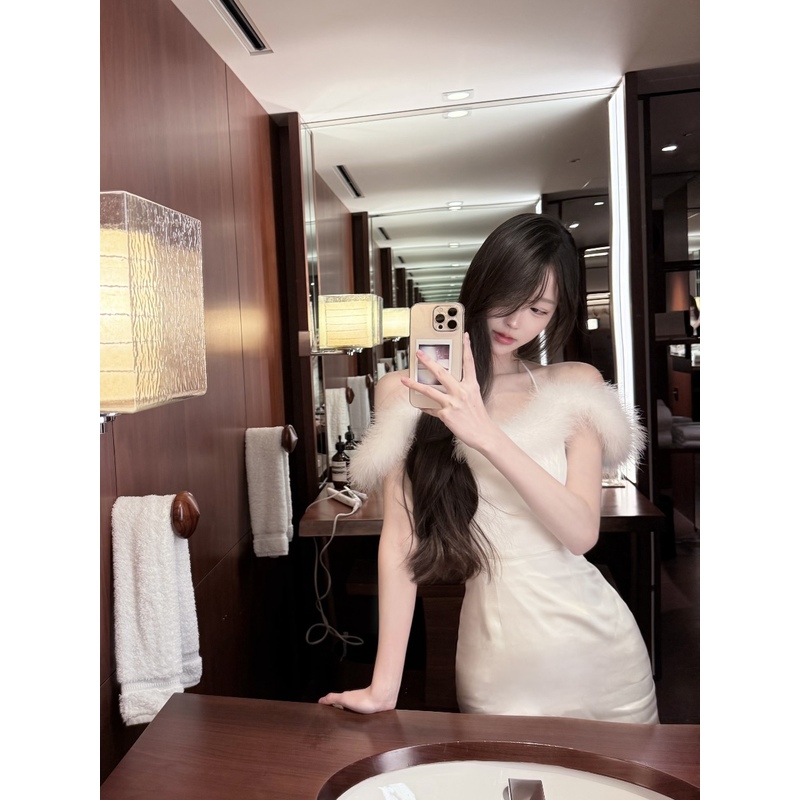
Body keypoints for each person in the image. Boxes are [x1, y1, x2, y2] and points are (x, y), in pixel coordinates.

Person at [318, 213, 659, 723]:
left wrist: (486, 435)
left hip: (600, 654)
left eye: (538, 308)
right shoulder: (406, 393)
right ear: (481, 282)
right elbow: (401, 539)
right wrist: (383, 687)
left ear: (556, 314)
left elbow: (581, 533)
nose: (515, 321)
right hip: (495, 659)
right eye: (508, 295)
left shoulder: (574, 384)